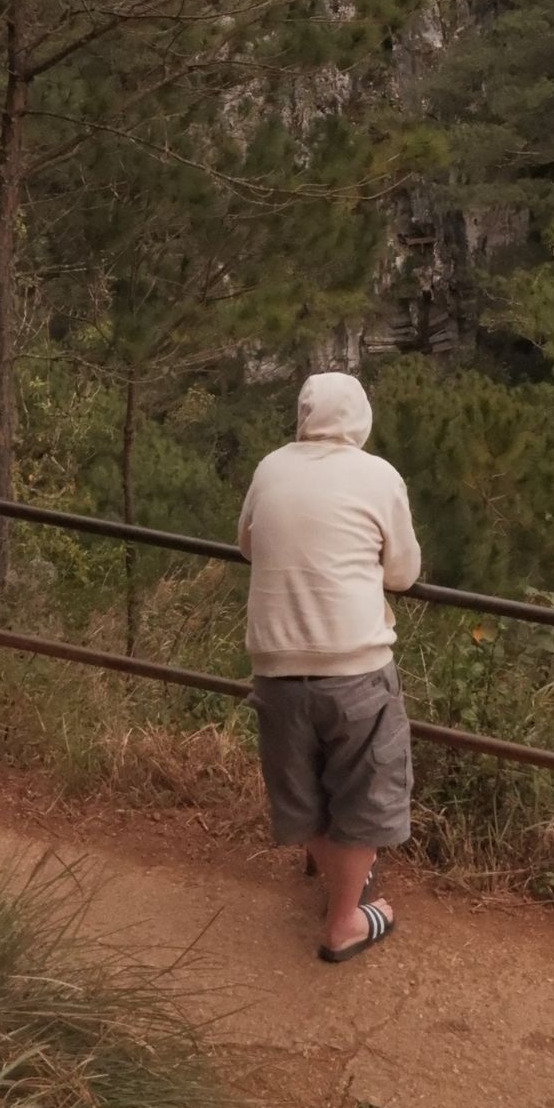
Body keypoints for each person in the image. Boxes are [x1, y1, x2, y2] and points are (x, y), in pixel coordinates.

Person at [237, 371, 421, 963]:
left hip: (276, 667)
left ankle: (340, 876)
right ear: (361, 420)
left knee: (301, 791)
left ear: (303, 416)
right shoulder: (380, 477)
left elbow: (246, 543)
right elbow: (404, 574)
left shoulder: (270, 467)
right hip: (356, 668)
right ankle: (345, 918)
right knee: (366, 791)